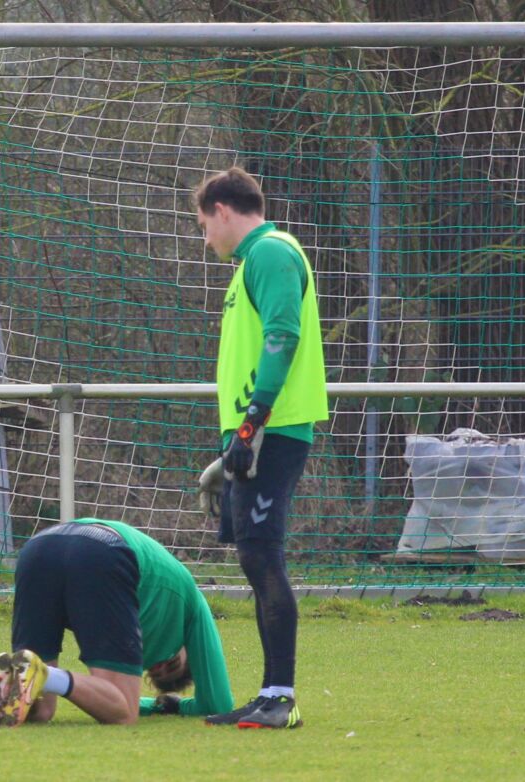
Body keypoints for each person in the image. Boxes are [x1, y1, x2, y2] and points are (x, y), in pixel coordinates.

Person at [192, 167, 328, 729]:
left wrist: (250, 427)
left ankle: (280, 698)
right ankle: (272, 693)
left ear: (223, 209)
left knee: (262, 554)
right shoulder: (253, 263)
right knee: (253, 555)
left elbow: (282, 336)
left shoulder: (270, 253)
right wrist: (230, 447)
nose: (204, 239)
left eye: (203, 225)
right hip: (257, 433)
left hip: (272, 431)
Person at [0, 518, 234, 727]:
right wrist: (170, 703)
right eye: (172, 662)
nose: (160, 662)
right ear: (189, 650)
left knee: (41, 710)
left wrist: (157, 702)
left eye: (156, 670)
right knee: (124, 712)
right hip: (101, 552)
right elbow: (218, 705)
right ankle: (47, 674)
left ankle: (8, 689)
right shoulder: (193, 603)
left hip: (39, 547)